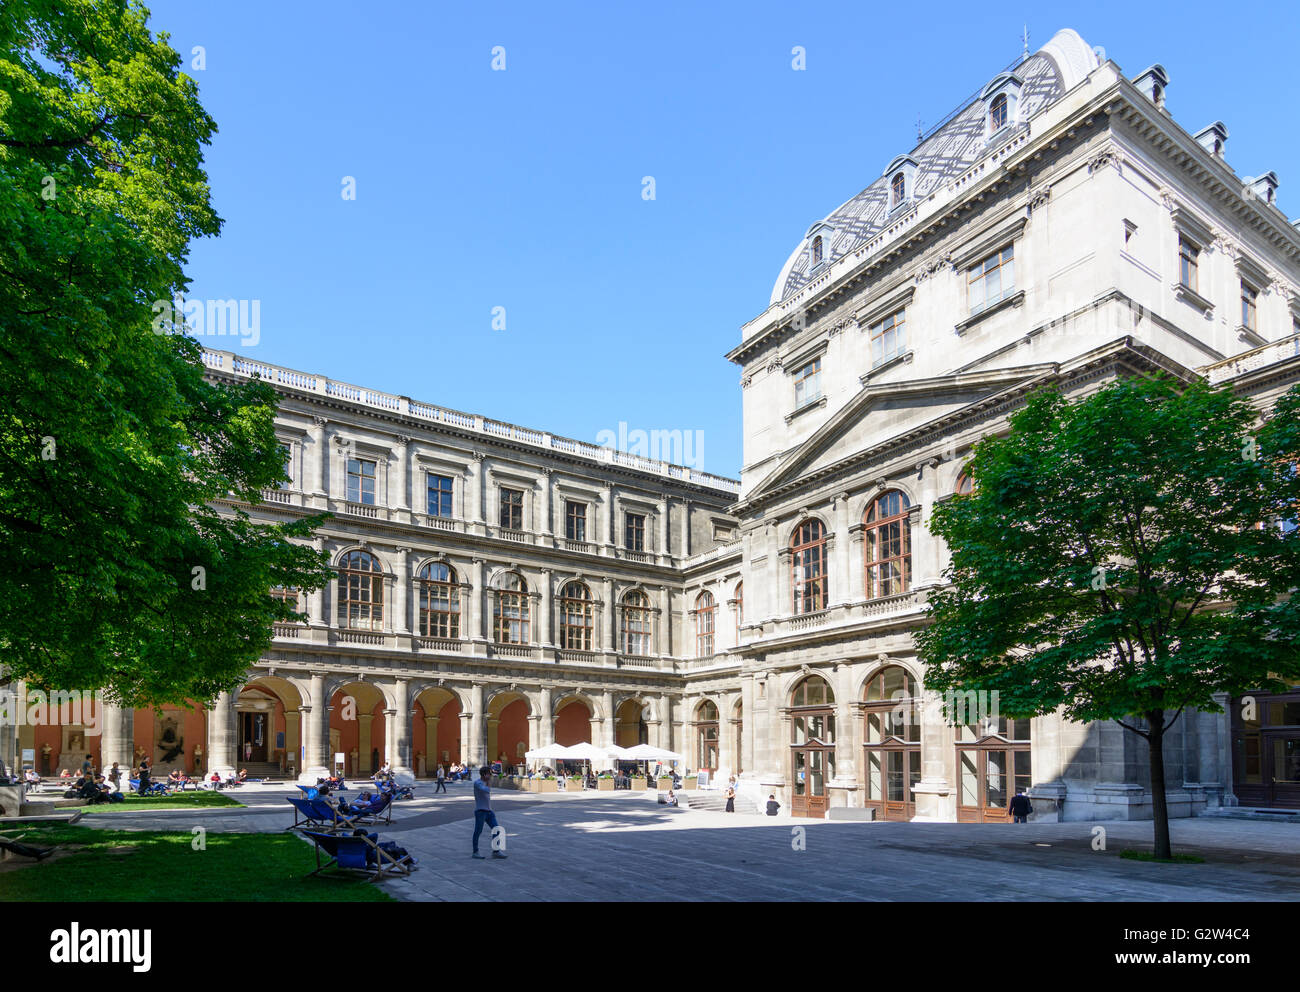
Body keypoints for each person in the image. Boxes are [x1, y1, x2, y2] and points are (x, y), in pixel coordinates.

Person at [471, 766, 507, 860]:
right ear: (484, 774)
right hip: (480, 811)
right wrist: (488, 782)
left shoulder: (485, 782)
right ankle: (475, 852)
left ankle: (496, 851)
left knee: (497, 830)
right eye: (488, 773)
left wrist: (487, 782)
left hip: (489, 811)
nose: (490, 775)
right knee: (478, 832)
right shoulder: (477, 783)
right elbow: (486, 790)